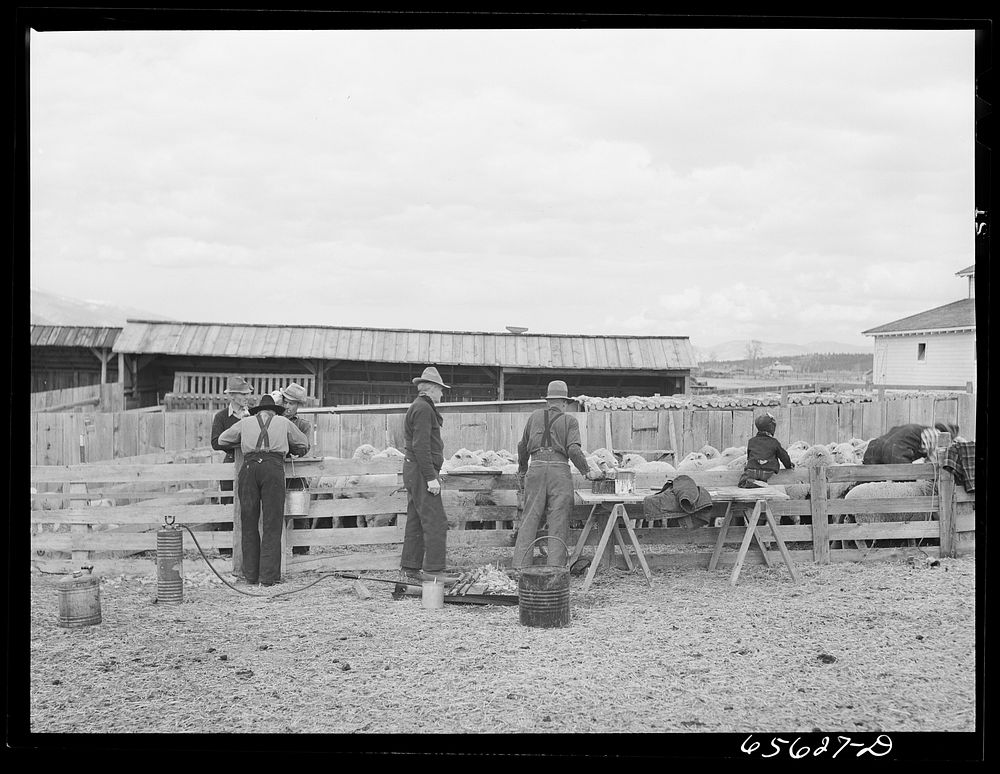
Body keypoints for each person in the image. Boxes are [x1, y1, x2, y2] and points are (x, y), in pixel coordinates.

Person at [217, 394, 310, 586]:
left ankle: (250, 575)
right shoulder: (284, 422)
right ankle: (268, 577)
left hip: (249, 467)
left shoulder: (245, 422)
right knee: (272, 523)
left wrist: (242, 443)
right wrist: (292, 449)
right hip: (273, 468)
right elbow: (303, 444)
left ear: (257, 411)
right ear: (274, 411)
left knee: (248, 522)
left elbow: (222, 440)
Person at [514, 380, 599, 570]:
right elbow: (574, 451)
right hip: (559, 471)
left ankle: (520, 566)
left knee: (530, 517)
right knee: (558, 519)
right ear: (564, 402)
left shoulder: (534, 417)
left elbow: (522, 446)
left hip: (535, 468)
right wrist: (586, 471)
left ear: (548, 401)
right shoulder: (570, 421)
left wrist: (522, 469)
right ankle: (555, 568)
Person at [399, 366, 458, 585]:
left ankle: (410, 568)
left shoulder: (420, 406)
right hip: (421, 470)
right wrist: (431, 477)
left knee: (415, 520)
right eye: (440, 389)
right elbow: (421, 446)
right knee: (436, 520)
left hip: (414, 469)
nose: (442, 393)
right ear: (432, 389)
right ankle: (434, 570)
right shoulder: (424, 409)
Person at [210, 376, 254, 555]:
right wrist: (237, 444)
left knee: (250, 503)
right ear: (233, 396)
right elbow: (215, 442)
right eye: (243, 394)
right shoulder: (221, 417)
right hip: (230, 463)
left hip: (250, 464)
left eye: (247, 394)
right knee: (227, 504)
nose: (246, 397)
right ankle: (226, 549)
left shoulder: (252, 415)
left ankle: (246, 547)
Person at [277, 382, 313, 555]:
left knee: (299, 508)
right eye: (285, 402)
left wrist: (292, 451)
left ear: (298, 406)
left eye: (292, 403)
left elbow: (305, 448)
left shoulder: (303, 425)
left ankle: (301, 548)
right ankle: (277, 548)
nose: (287, 406)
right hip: (275, 471)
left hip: (295, 471)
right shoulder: (274, 420)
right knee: (274, 509)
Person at [738, 412, 794, 488]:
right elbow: (784, 456)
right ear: (771, 428)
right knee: (762, 476)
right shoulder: (774, 442)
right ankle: (761, 483)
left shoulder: (751, 441)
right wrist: (789, 465)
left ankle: (753, 483)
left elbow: (749, 456)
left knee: (742, 483)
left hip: (752, 470)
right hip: (768, 471)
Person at [862, 422, 960, 465]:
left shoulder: (922, 429)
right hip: (896, 452)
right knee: (906, 485)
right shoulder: (939, 436)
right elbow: (932, 463)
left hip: (873, 448)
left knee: (866, 484)